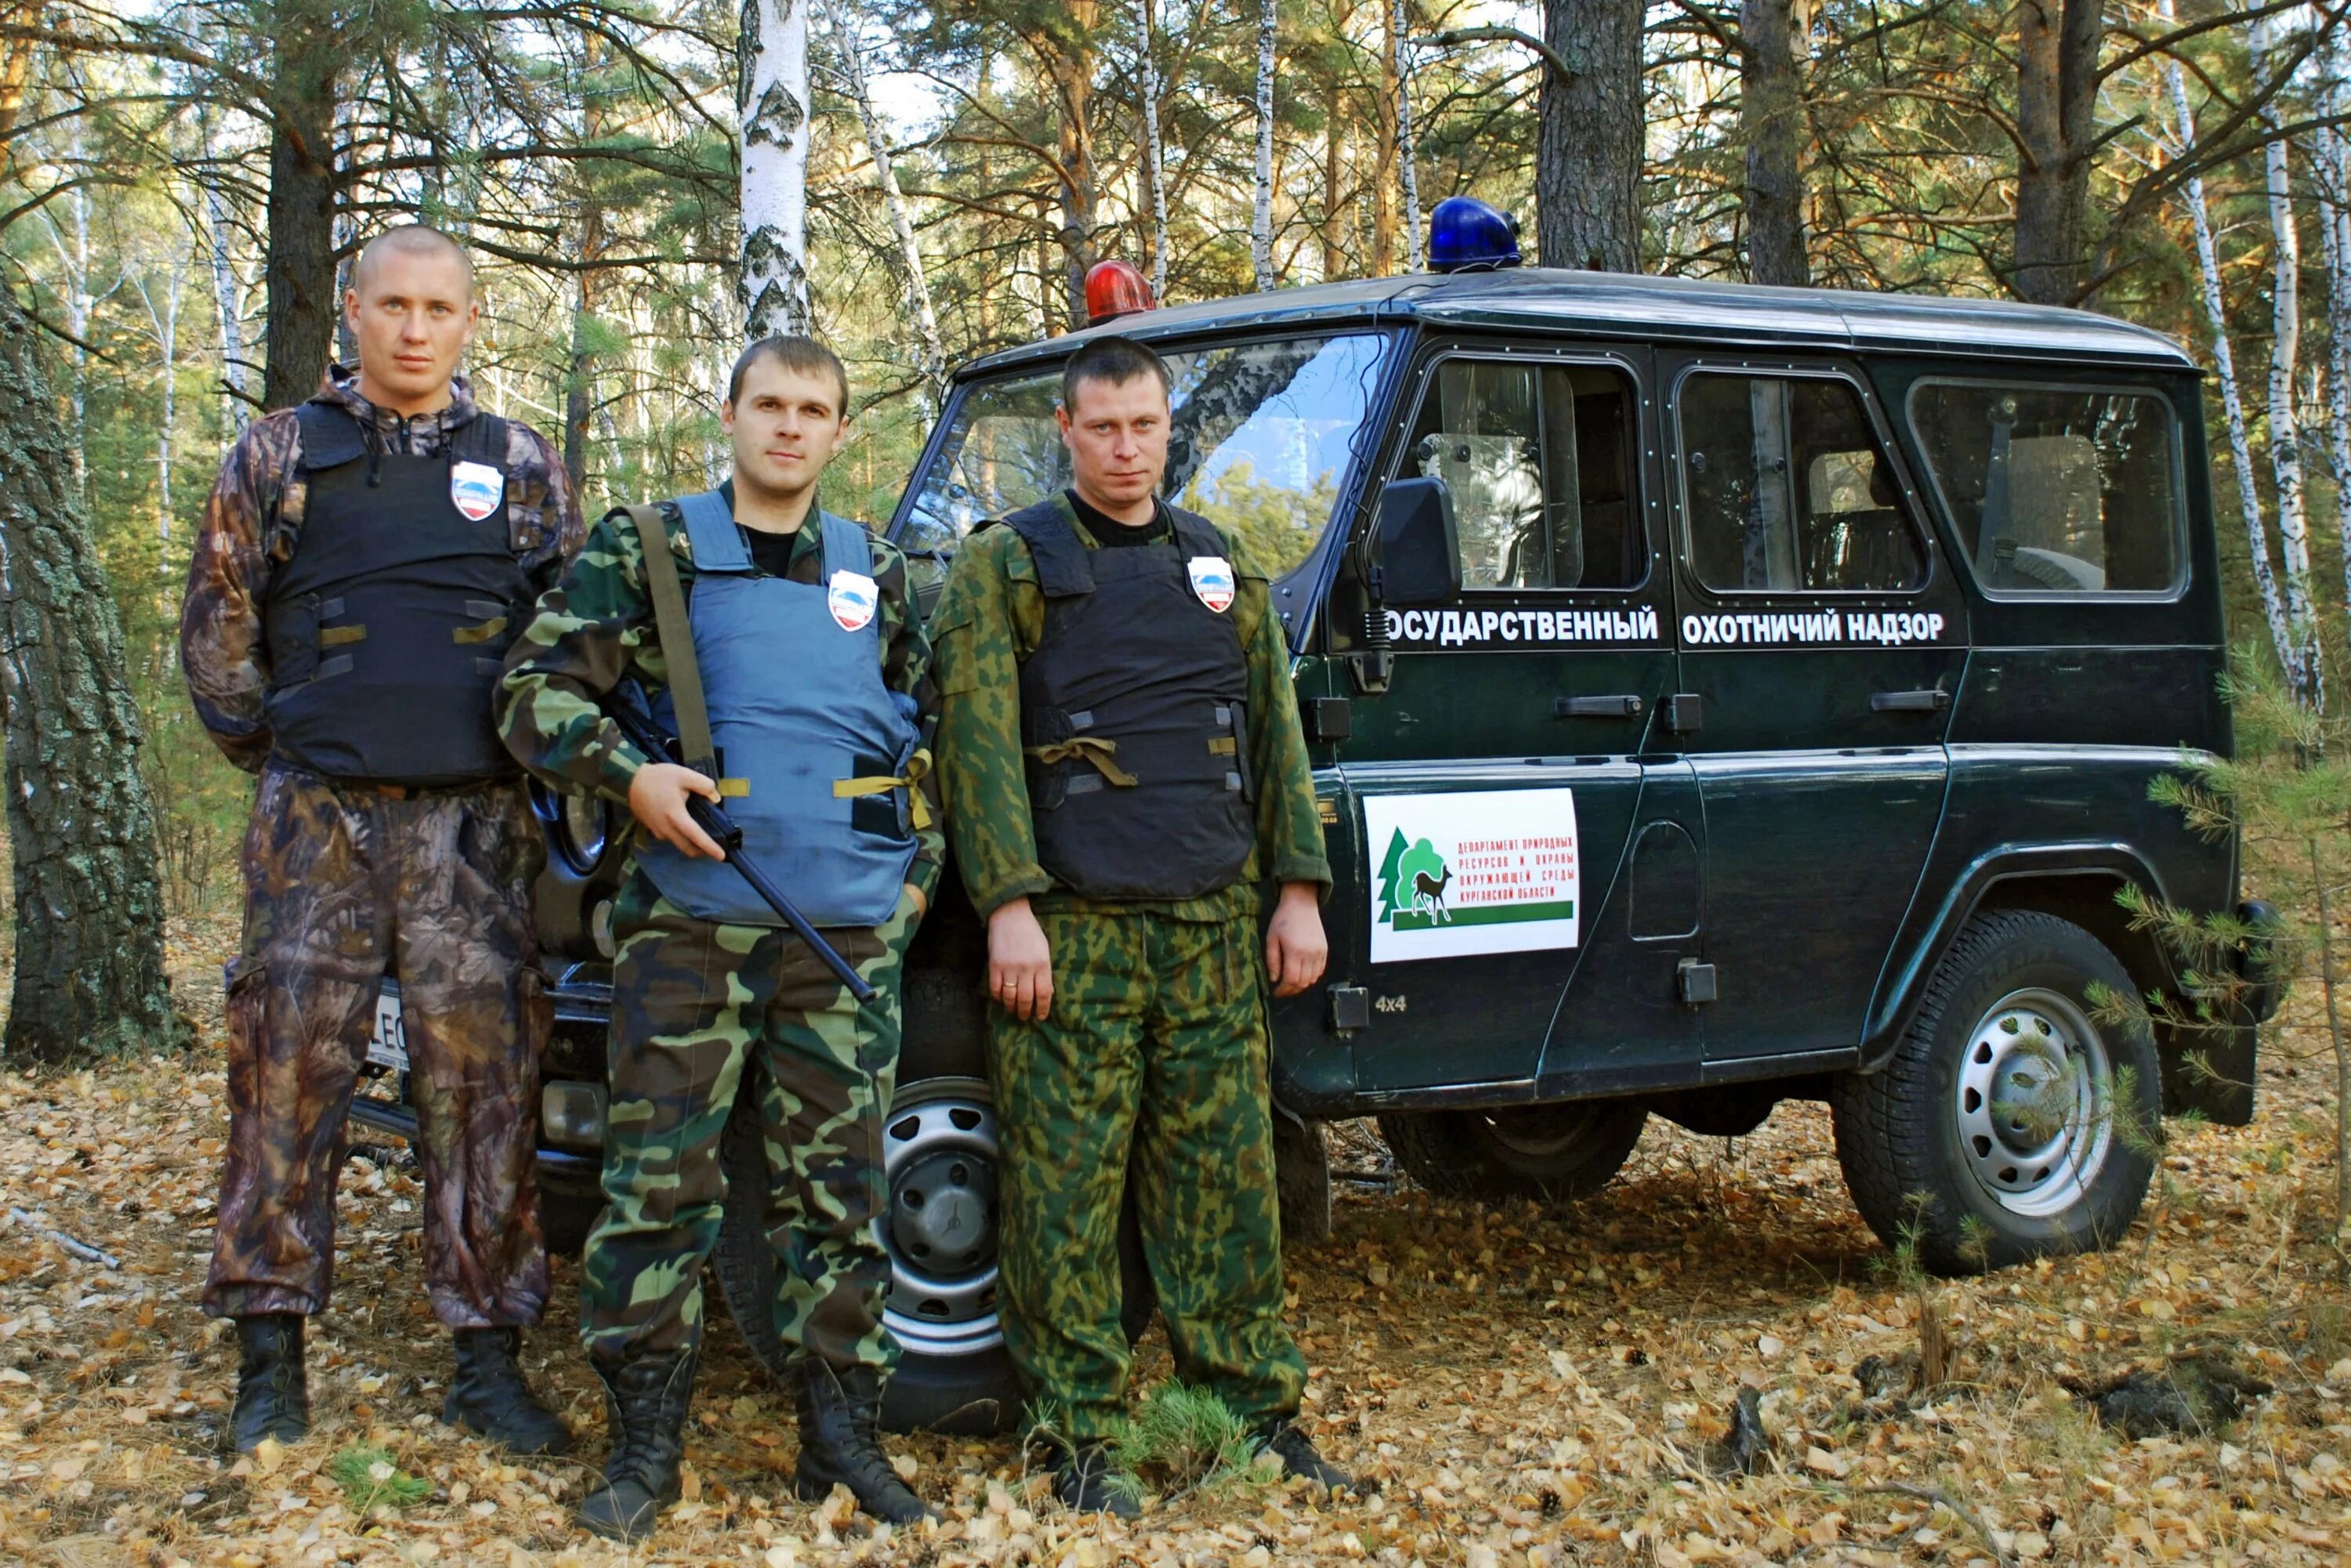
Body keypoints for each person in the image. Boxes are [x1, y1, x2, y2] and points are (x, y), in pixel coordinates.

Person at [498, 335, 937, 1541]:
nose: (790, 428)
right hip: (689, 932)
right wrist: (631, 777)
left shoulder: (882, 573)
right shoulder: (652, 551)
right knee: (657, 1192)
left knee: (840, 1199)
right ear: (731, 414)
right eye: (770, 405)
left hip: (842, 937)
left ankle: (842, 1439)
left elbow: (934, 741)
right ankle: (645, 1443)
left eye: (814, 409)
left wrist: (914, 889)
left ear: (840, 430)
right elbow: (534, 694)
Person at [180, 225, 582, 1457]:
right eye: (392, 306)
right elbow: (218, 639)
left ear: (470, 323)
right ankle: (267, 1364)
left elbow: (565, 635)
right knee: (285, 1083)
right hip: (320, 826)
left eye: (439, 309)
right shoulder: (281, 454)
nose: (415, 329)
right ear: (351, 312)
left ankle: (486, 1361)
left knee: (485, 1095)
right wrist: (308, 752)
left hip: (475, 833)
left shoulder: (519, 461)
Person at [930, 335, 1351, 1512]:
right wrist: (1008, 906)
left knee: (1228, 1188)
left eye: (1147, 426)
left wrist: (1299, 889)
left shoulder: (1218, 564)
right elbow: (976, 745)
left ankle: (1253, 1416)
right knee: (1064, 1198)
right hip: (1075, 935)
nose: (1127, 449)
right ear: (1065, 432)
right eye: (1104, 428)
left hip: (1215, 924)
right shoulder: (1007, 567)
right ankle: (1077, 1434)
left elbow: (1273, 728)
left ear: (1172, 430)